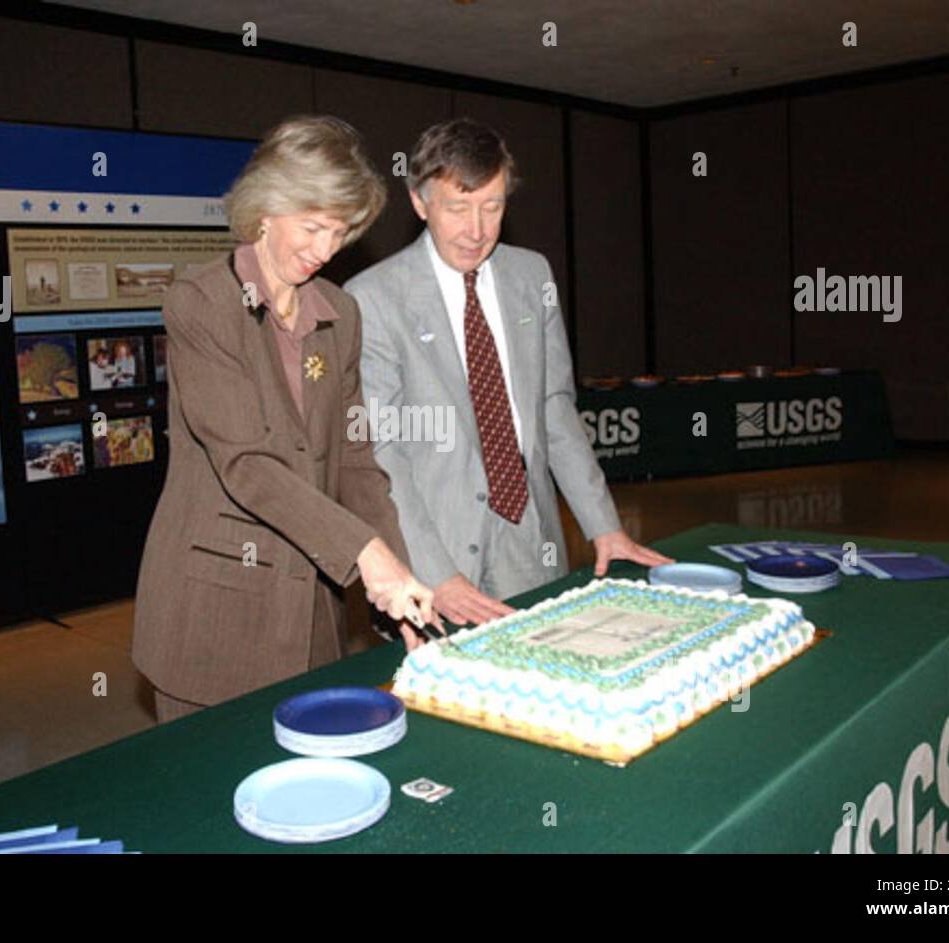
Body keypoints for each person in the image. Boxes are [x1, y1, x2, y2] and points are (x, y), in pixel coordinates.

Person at [132, 116, 438, 723]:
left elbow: (354, 458)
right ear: (267, 207)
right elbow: (247, 463)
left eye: (342, 232)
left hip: (310, 615)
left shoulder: (340, 314)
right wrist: (365, 553)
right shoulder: (201, 304)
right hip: (213, 612)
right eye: (314, 226)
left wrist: (397, 583)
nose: (326, 250)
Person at [345, 118, 672, 627]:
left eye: (492, 207)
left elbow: (554, 409)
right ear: (418, 202)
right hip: (435, 543)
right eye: (457, 208)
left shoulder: (532, 275)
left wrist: (603, 524)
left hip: (529, 534)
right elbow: (385, 452)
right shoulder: (373, 298)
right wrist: (437, 573)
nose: (477, 231)